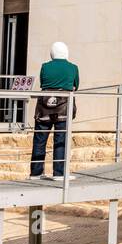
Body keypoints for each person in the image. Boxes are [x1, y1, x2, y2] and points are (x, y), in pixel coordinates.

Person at [30, 42, 79, 180]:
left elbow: (43, 84)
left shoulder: (45, 67)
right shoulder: (73, 68)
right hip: (64, 106)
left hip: (44, 106)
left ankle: (36, 172)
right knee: (60, 140)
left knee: (39, 140)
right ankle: (59, 173)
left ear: (52, 53)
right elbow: (76, 85)